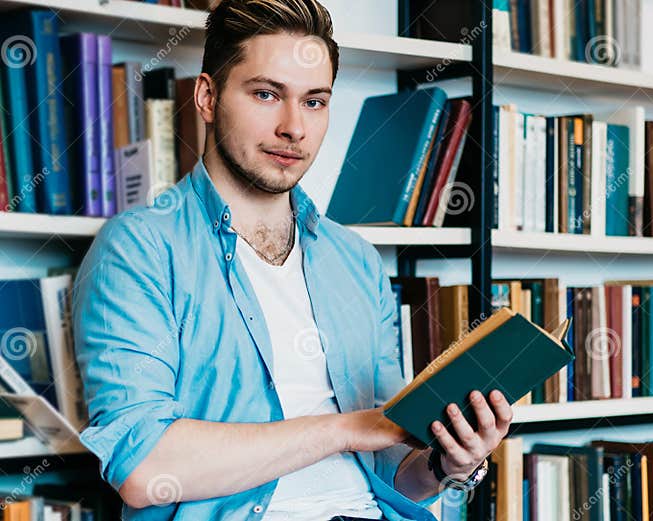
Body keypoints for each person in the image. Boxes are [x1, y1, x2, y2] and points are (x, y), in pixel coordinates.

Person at [72, 1, 513, 519]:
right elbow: (143, 469)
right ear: (207, 97)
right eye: (266, 94)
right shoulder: (138, 249)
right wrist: (348, 430)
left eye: (314, 101)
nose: (294, 128)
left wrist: (450, 463)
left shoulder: (355, 260)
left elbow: (396, 472)